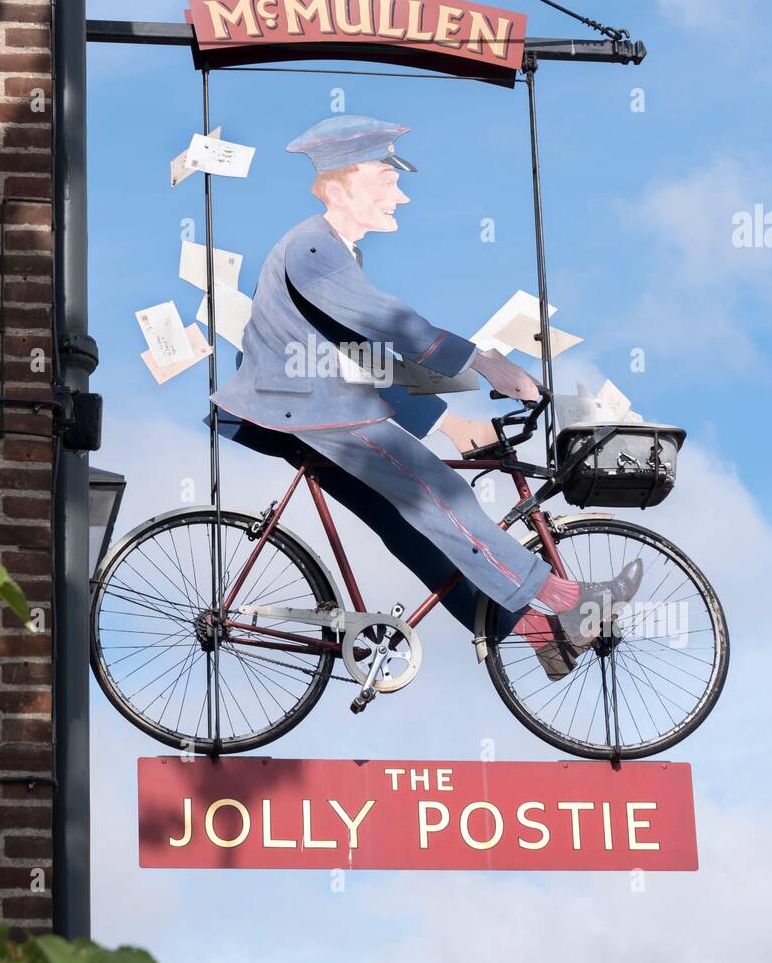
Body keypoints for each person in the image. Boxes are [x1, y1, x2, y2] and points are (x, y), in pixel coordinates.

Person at [213, 115, 641, 679]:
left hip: (302, 406)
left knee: (406, 523)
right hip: (307, 407)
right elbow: (387, 322)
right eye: (385, 181)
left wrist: (448, 422)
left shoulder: (334, 252)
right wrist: (481, 360)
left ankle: (542, 637)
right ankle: (565, 600)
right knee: (439, 493)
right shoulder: (314, 247)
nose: (401, 196)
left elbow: (364, 354)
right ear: (339, 186)